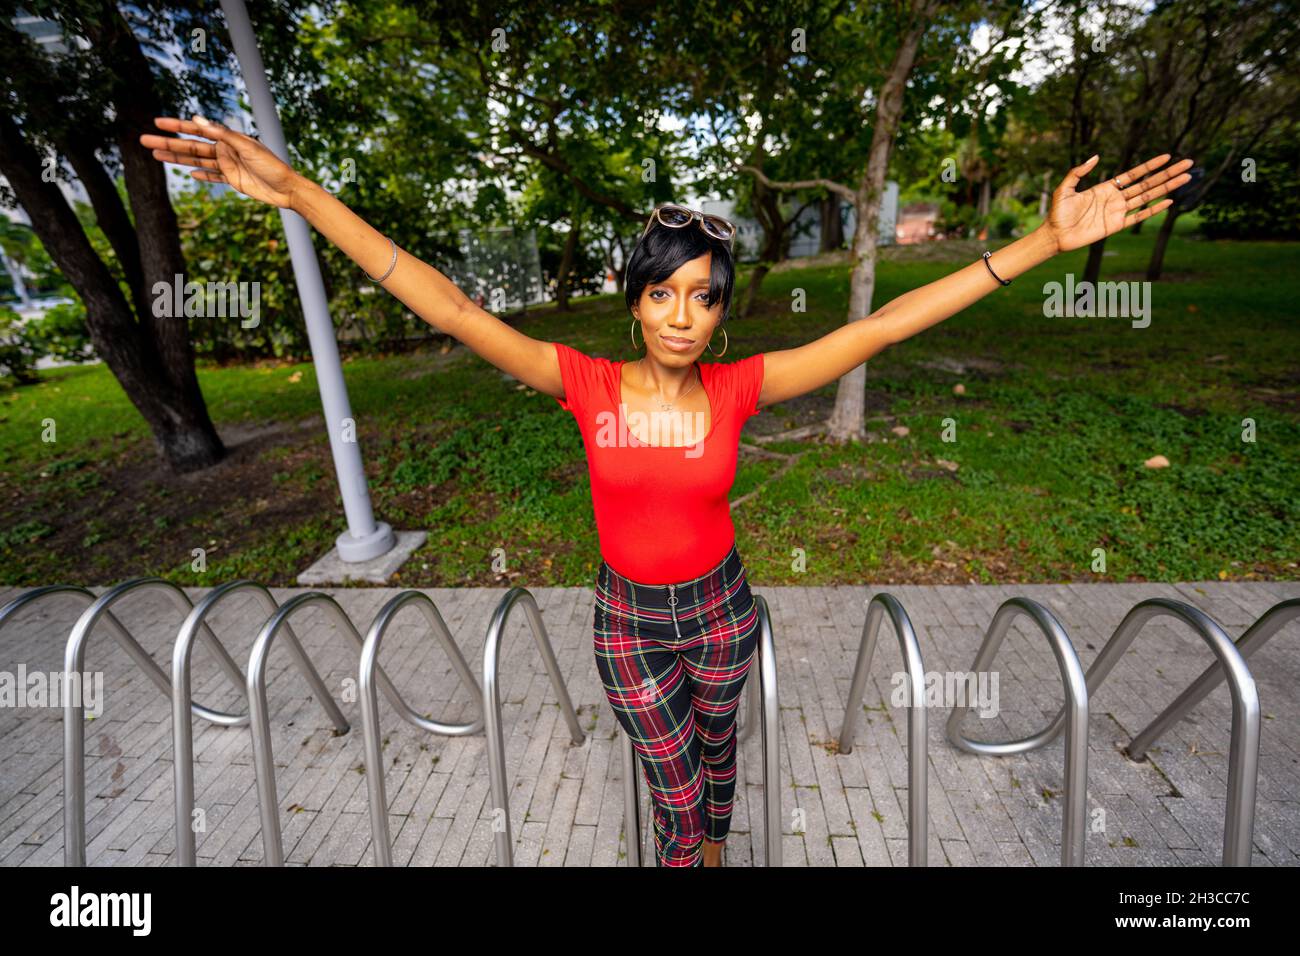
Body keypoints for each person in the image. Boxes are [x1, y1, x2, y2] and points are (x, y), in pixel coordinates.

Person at [140, 117, 1191, 866]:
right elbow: (449, 303)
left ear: (720, 312)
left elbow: (877, 328)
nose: (684, 314)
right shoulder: (583, 381)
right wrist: (298, 193)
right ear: (633, 303)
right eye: (662, 293)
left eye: (703, 296)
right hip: (628, 619)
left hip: (723, 607)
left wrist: (1039, 246)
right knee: (677, 791)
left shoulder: (741, 387)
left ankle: (712, 842)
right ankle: (693, 847)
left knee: (720, 753)